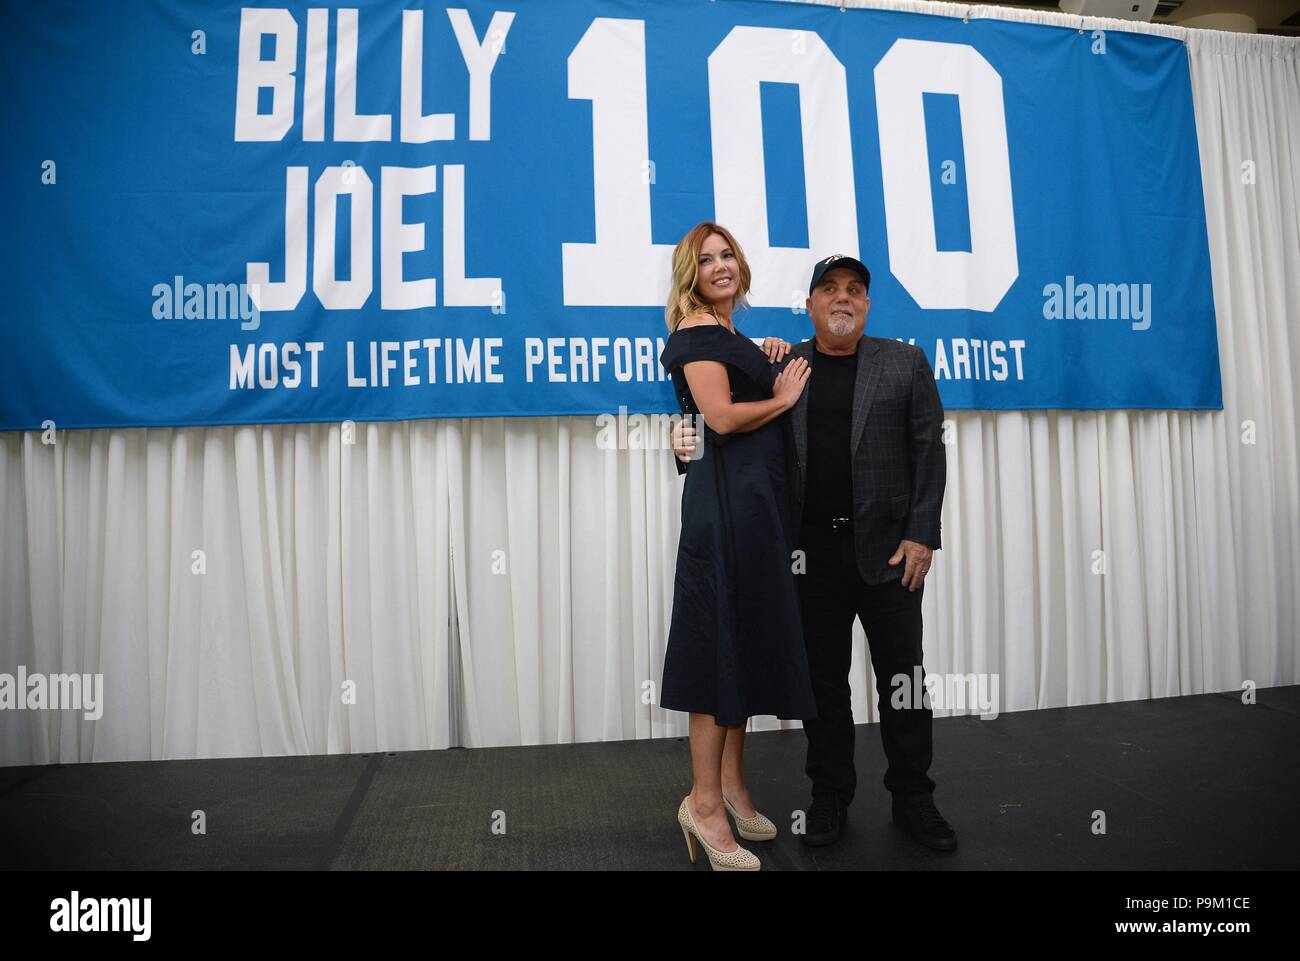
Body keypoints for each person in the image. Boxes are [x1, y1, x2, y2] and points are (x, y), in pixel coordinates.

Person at [674, 254, 956, 852]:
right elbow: (722, 424)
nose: (842, 299)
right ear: (810, 306)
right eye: (829, 290)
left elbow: (929, 452)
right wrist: (684, 440)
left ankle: (915, 799)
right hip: (807, 557)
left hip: (888, 555)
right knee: (824, 687)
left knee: (903, 680)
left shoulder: (904, 361)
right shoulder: (784, 363)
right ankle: (828, 797)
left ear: (868, 304)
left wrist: (920, 535)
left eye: (854, 290)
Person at [658, 222, 814, 871]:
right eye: (707, 259)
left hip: (751, 513)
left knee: (740, 648)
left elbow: (697, 421)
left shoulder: (727, 336)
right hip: (723, 515)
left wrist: (764, 353)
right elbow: (720, 417)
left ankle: (730, 786)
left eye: (728, 255)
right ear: (691, 274)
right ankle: (702, 800)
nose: (720, 265)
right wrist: (781, 397)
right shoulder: (697, 332)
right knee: (714, 653)